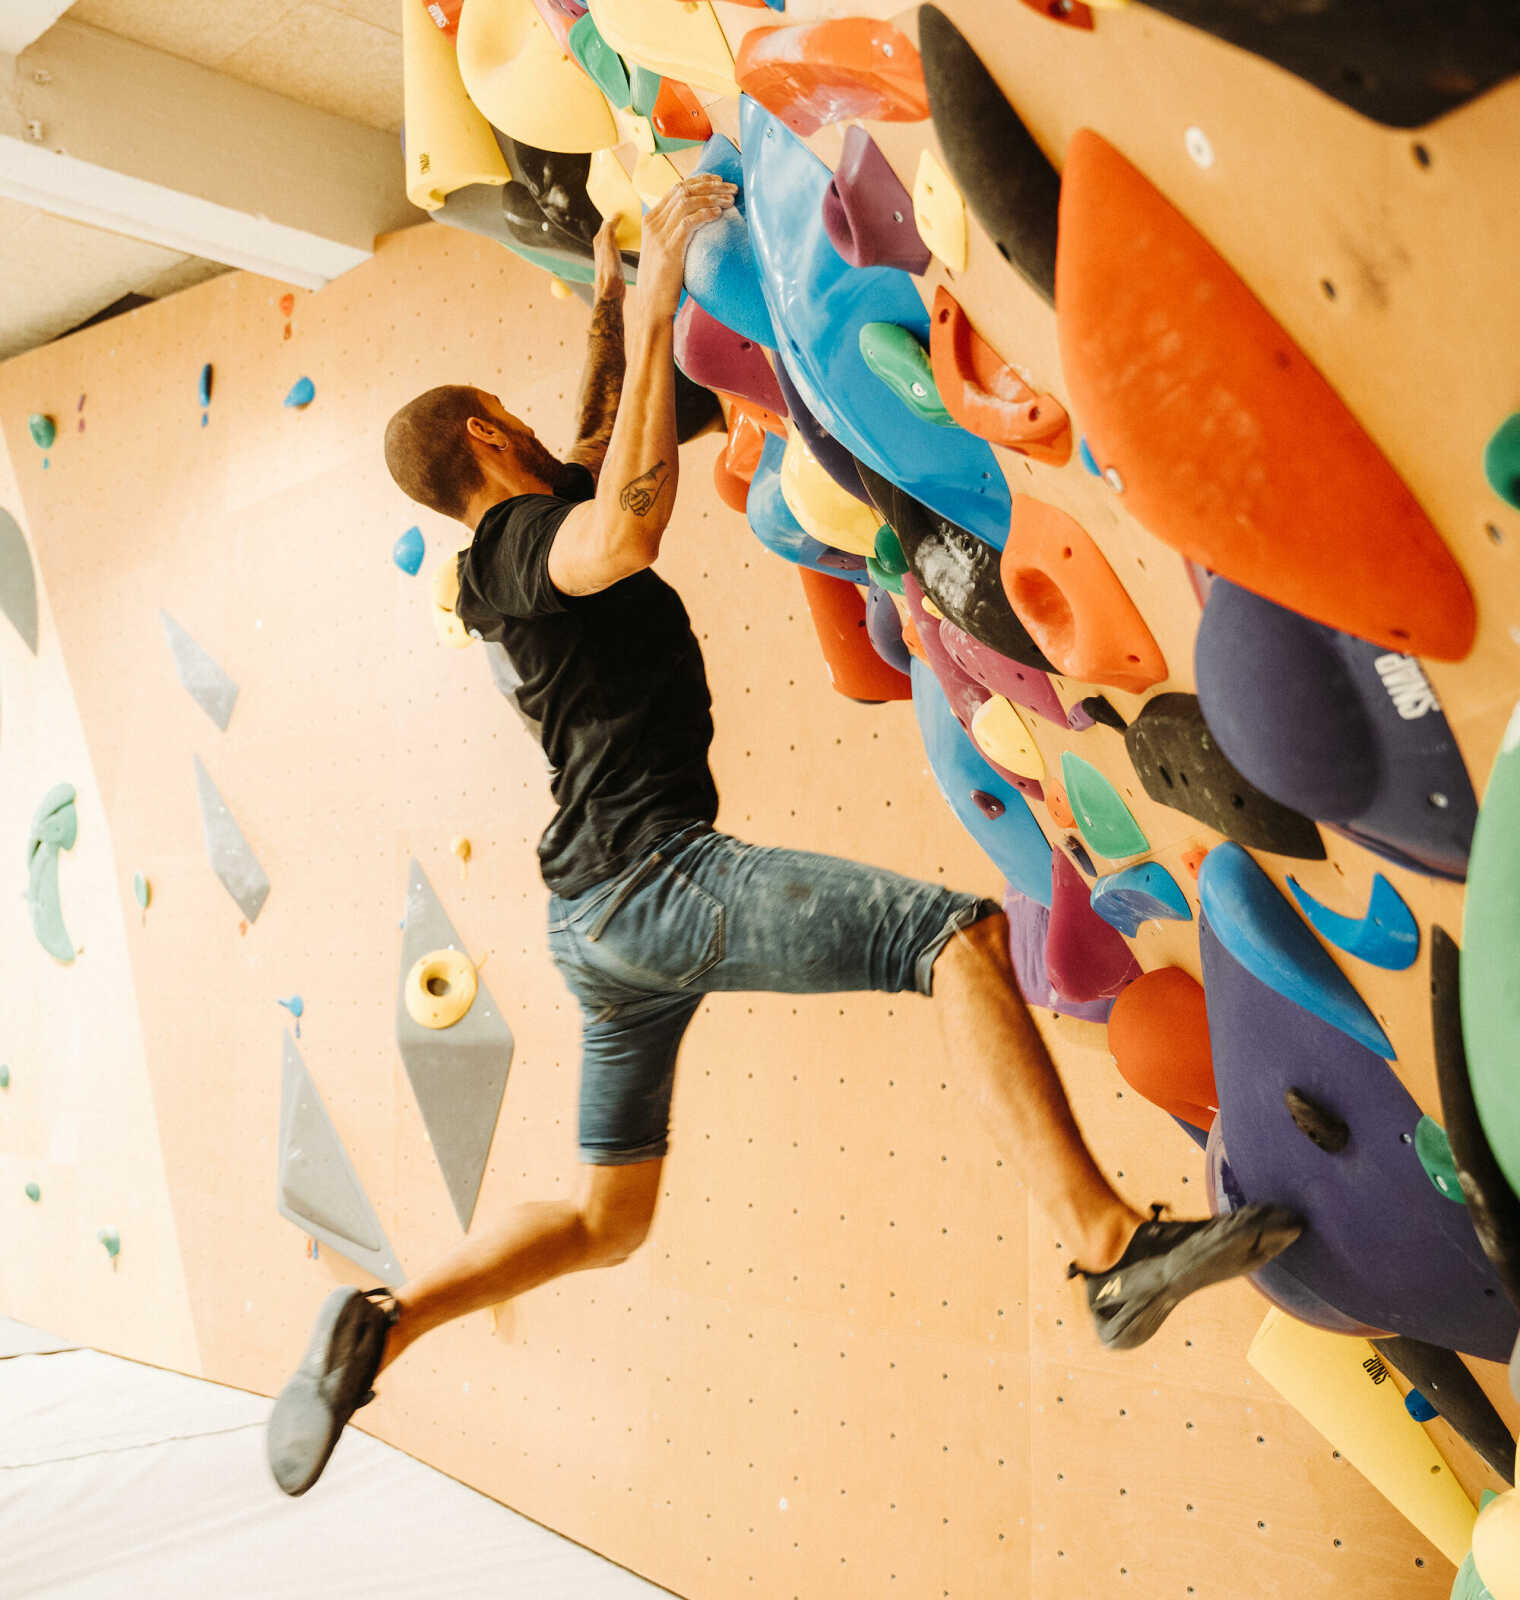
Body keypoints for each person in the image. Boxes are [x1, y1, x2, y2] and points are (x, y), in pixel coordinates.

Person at [267, 175, 1299, 1497]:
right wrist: (650, 322)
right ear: (483, 427)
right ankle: (1106, 1250)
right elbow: (624, 524)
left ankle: (383, 1325)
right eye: (507, 415)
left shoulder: (511, 551)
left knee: (607, 1218)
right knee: (955, 940)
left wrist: (602, 310)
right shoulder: (527, 545)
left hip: (596, 931)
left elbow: (591, 453)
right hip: (652, 887)